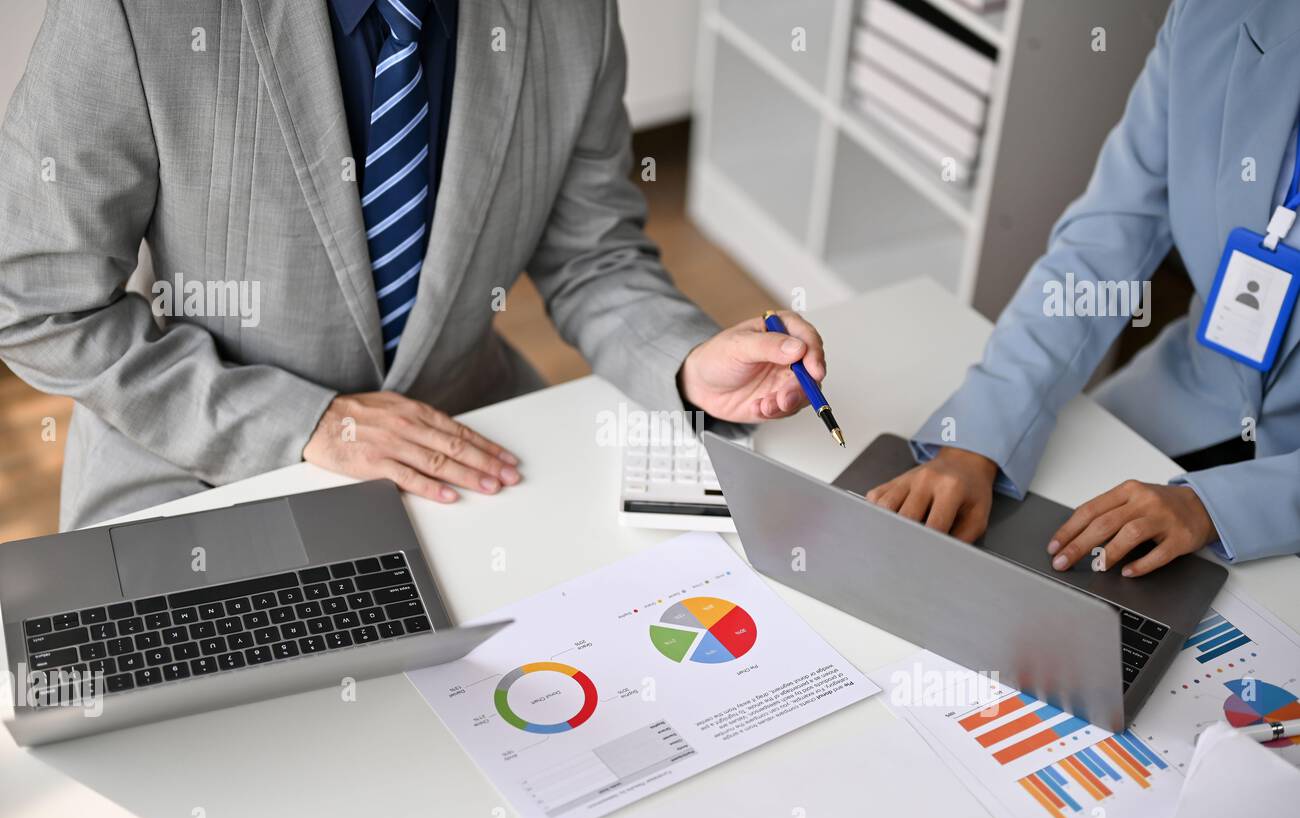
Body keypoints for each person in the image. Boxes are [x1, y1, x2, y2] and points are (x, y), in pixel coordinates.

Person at [0, 0, 824, 529]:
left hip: (467, 442)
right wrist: (310, 423)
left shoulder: (571, 17)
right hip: (198, 458)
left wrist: (686, 361)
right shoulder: (131, 13)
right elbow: (36, 303)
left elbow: (594, 258)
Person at [869, 0, 1300, 574]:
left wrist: (1216, 508)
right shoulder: (1213, 17)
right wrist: (978, 435)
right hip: (1191, 399)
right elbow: (1103, 243)